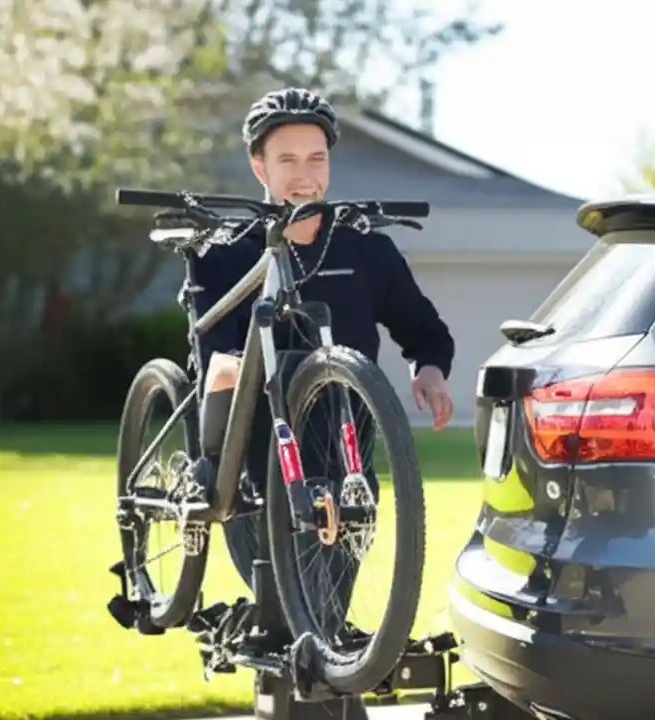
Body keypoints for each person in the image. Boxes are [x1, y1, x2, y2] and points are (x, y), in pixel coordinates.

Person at [188, 87, 455, 717]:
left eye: (316, 159)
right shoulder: (225, 250)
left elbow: (422, 328)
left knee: (320, 624)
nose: (304, 176)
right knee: (290, 614)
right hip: (256, 458)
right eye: (287, 161)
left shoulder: (364, 248)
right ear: (259, 167)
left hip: (345, 455)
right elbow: (215, 356)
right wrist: (228, 372)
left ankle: (315, 699)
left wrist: (431, 370)